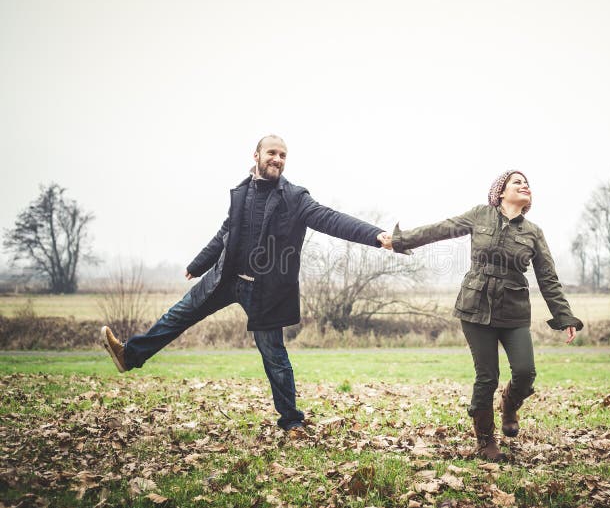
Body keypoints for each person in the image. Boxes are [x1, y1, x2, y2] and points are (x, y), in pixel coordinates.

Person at [102, 134, 390, 435]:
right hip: (225, 278)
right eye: (272, 153)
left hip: (265, 291)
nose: (277, 159)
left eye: (282, 155)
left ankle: (291, 420)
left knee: (274, 356)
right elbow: (226, 231)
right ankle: (130, 355)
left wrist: (376, 235)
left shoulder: (295, 198)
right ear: (256, 155)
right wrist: (199, 264)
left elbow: (331, 219)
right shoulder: (242, 192)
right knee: (177, 316)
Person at [378, 170, 582, 461]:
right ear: (501, 192)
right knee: (487, 377)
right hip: (475, 308)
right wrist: (400, 241)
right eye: (517, 182)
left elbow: (548, 278)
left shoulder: (533, 232)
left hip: (513, 312)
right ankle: (486, 441)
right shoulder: (480, 216)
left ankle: (509, 405)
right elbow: (441, 229)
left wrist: (565, 317)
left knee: (525, 373)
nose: (525, 186)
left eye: (527, 184)